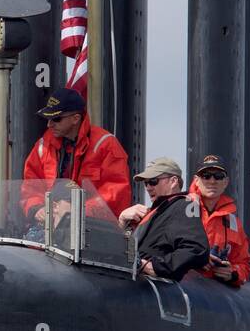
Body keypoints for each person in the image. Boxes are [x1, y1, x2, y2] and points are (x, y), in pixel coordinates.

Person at [20, 88, 131, 240]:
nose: (49, 124)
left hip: (91, 232)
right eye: (48, 118)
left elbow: (116, 193)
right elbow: (31, 187)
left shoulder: (105, 145)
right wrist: (38, 208)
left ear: (75, 118)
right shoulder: (42, 146)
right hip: (49, 229)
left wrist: (77, 211)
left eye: (56, 119)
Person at [117, 157, 209, 281]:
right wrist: (122, 221)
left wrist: (153, 267)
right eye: (146, 183)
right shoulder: (154, 213)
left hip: (150, 290)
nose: (148, 187)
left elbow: (196, 248)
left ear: (173, 181)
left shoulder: (183, 205)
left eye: (153, 181)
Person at [187, 154, 250, 287]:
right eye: (206, 176)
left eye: (218, 176)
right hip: (184, 287)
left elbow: (243, 263)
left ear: (226, 182)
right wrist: (195, 259)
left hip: (214, 296)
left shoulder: (234, 223)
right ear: (196, 180)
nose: (212, 181)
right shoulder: (181, 208)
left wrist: (232, 273)